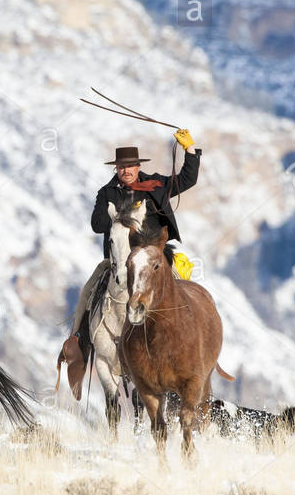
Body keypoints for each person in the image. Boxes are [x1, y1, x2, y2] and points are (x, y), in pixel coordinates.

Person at [56, 128, 202, 396]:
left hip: (153, 259)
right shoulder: (106, 193)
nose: (126, 171)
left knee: (182, 290)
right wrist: (117, 218)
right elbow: (96, 224)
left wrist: (189, 150)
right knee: (88, 293)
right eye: (122, 167)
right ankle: (78, 340)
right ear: (117, 169)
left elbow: (187, 179)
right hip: (117, 260)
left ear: (138, 167)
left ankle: (192, 343)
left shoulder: (155, 185)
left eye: (131, 166)